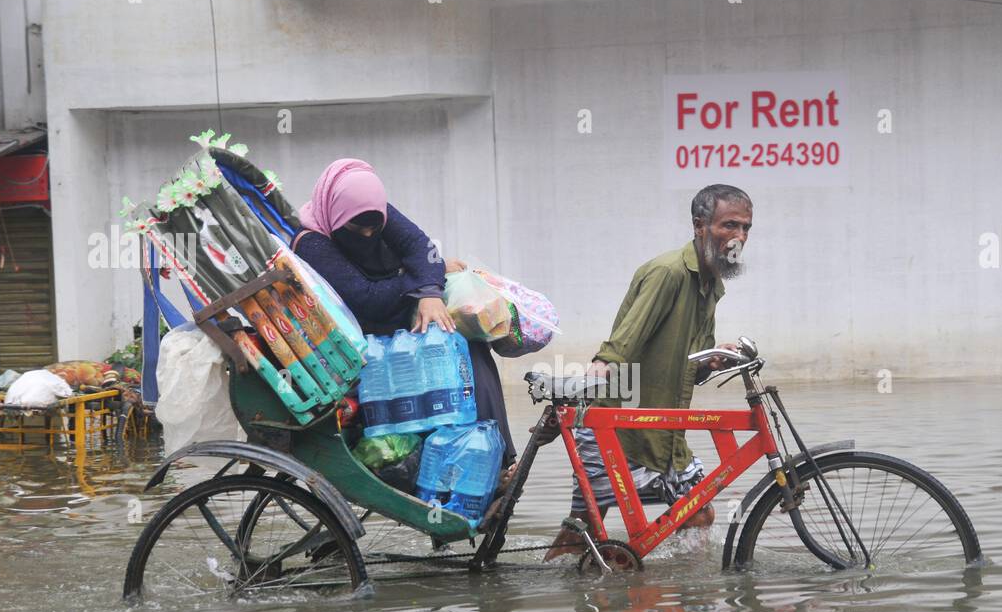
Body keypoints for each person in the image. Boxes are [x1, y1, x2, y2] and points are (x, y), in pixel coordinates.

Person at [545, 184, 752, 561]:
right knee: (592, 525)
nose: (738, 238)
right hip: (618, 426)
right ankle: (650, 594)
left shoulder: (710, 286)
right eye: (729, 226)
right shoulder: (669, 273)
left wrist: (712, 358)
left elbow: (691, 363)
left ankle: (674, 592)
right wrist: (593, 376)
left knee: (698, 512)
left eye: (746, 229)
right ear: (699, 225)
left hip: (660, 429)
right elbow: (624, 341)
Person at [293, 158, 515, 464]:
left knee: (468, 344)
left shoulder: (373, 209)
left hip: (403, 318)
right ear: (336, 216)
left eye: (375, 228)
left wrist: (430, 292)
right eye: (358, 228)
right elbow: (368, 297)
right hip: (368, 337)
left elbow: (421, 248)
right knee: (448, 352)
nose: (369, 235)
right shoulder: (312, 243)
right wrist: (423, 283)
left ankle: (499, 457)